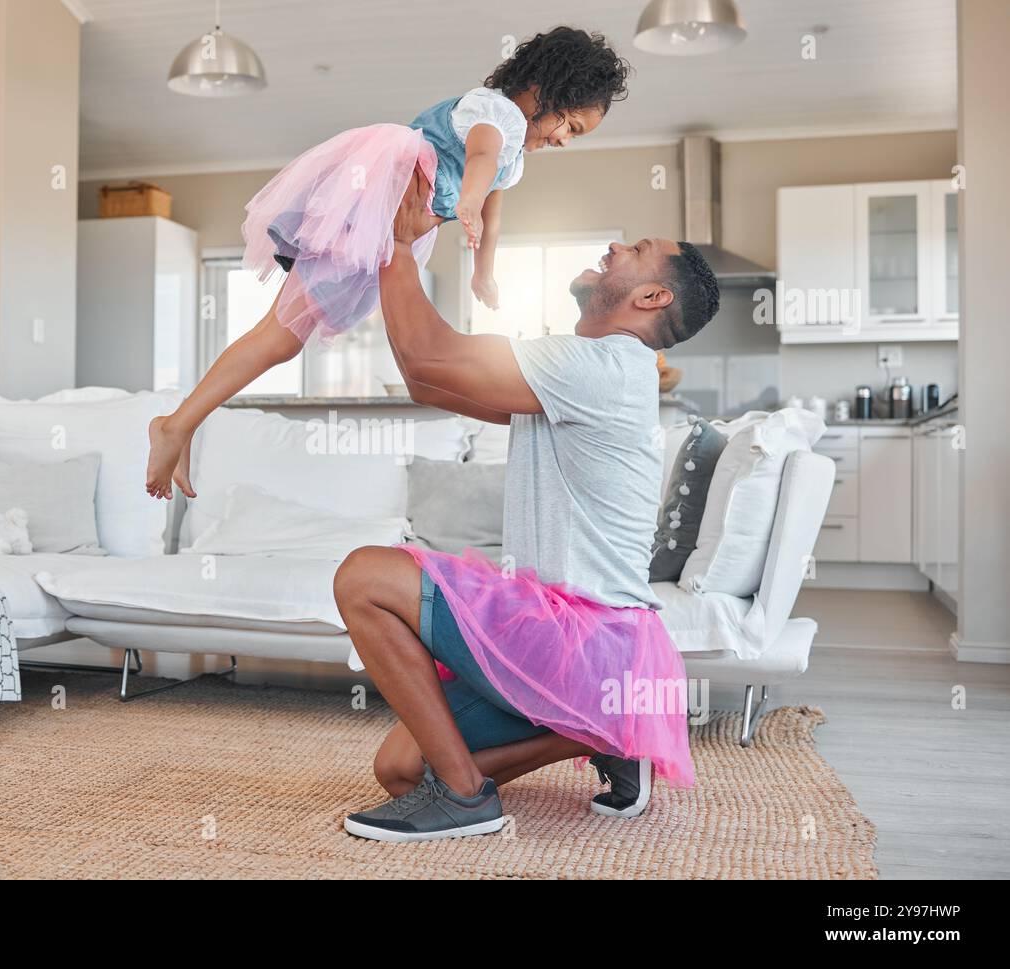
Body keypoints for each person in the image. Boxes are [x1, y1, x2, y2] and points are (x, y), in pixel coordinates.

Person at [333, 170, 721, 843]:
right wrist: (396, 248)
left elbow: (429, 354)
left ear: (653, 294)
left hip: (589, 644)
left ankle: (463, 798)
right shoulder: (595, 370)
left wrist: (396, 244)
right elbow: (426, 378)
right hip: (588, 654)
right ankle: (604, 733)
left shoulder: (604, 364)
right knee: (399, 766)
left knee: (364, 576)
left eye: (635, 248)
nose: (613, 246)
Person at [145, 27, 631, 499]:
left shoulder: (515, 159)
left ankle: (182, 423)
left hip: (390, 224)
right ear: (539, 90)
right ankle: (175, 425)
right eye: (568, 122)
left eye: (577, 134)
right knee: (281, 335)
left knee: (284, 337)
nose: (566, 139)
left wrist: (483, 271)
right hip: (377, 197)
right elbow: (481, 153)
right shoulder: (496, 112)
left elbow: (494, 217)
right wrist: (467, 199)